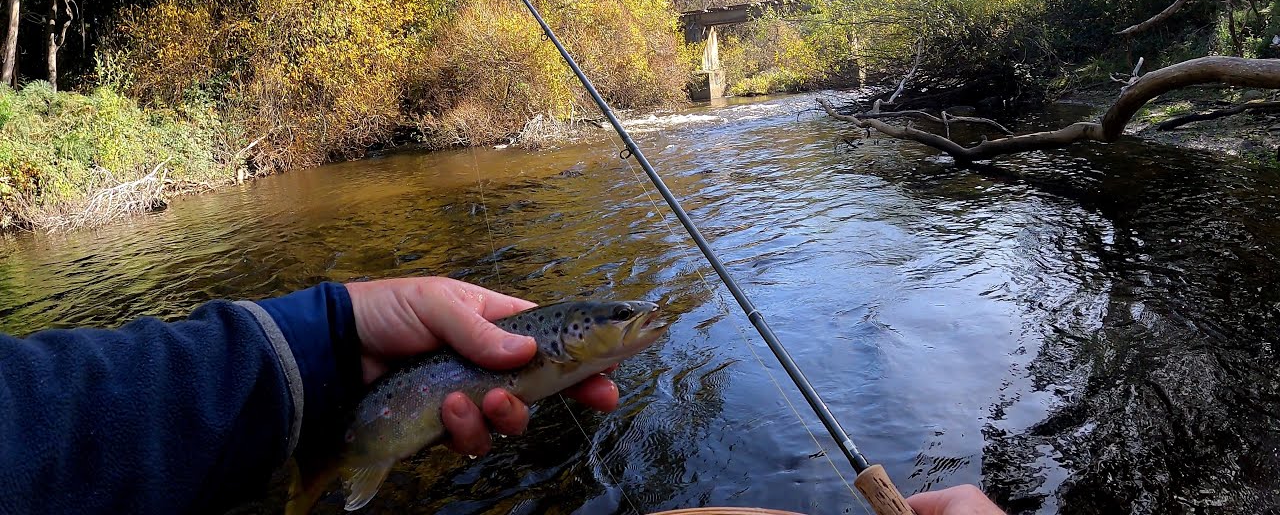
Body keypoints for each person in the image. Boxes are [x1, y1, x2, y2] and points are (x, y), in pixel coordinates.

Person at [0, 275, 1005, 514]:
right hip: (346, 410)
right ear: (577, 337)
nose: (634, 327)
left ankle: (332, 462)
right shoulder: (563, 342)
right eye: (616, 322)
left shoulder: (575, 349)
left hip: (314, 384)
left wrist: (335, 338)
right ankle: (338, 468)